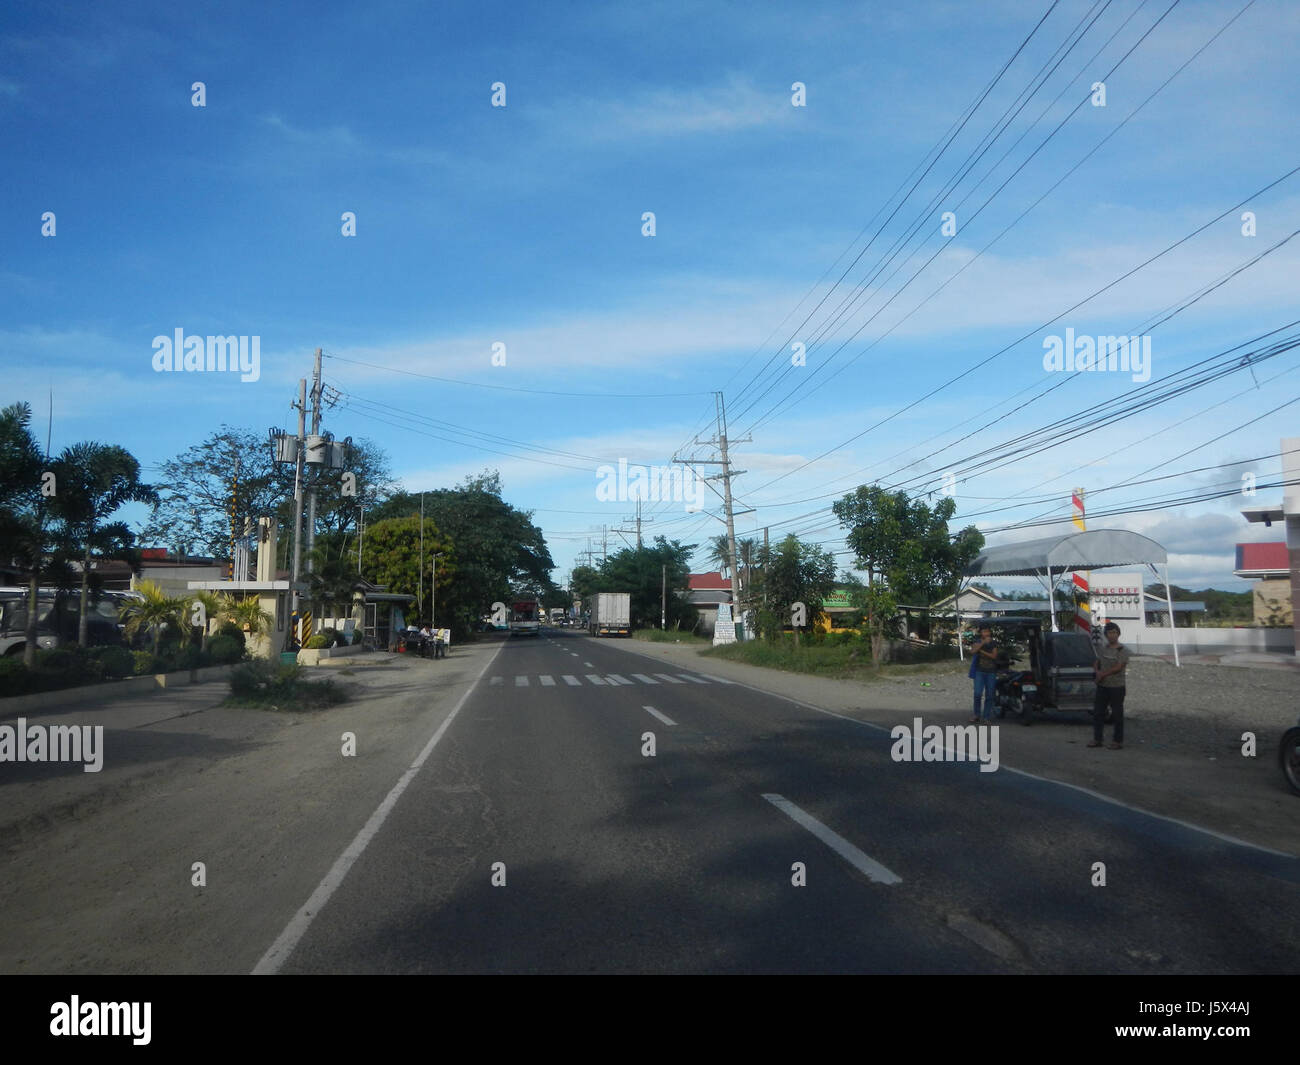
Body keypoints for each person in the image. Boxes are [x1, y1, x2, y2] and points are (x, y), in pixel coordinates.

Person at [1090, 621, 1130, 749]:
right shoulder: (1103, 648)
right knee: (1098, 713)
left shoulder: (1123, 650)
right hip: (1103, 686)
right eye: (1109, 633)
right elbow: (1096, 662)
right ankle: (1097, 739)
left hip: (1117, 687)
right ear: (1106, 635)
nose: (1112, 635)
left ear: (1118, 634)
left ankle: (1117, 741)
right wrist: (1097, 672)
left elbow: (1118, 667)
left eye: (1114, 633)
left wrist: (1103, 674)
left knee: (1117, 714)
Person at [969, 625, 1000, 724]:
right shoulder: (978, 642)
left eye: (988, 632)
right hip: (979, 671)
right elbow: (973, 651)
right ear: (981, 633)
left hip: (991, 671)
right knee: (977, 694)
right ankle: (976, 714)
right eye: (984, 632)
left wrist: (982, 651)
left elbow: (994, 656)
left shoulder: (993, 643)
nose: (986, 634)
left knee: (990, 695)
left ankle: (986, 717)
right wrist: (982, 643)